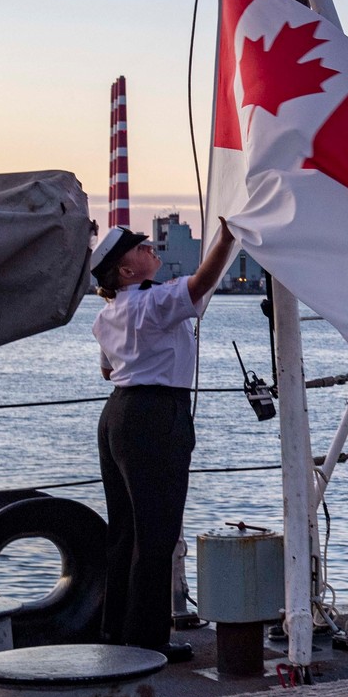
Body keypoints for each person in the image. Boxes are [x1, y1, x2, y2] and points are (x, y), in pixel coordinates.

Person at [90, 220, 238, 661]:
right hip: (156, 413)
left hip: (118, 413)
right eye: (139, 247)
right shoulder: (154, 303)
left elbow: (105, 370)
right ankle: (148, 640)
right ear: (126, 271)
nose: (149, 246)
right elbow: (203, 282)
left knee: (125, 531)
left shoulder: (108, 314)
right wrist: (227, 238)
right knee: (157, 532)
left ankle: (116, 630)